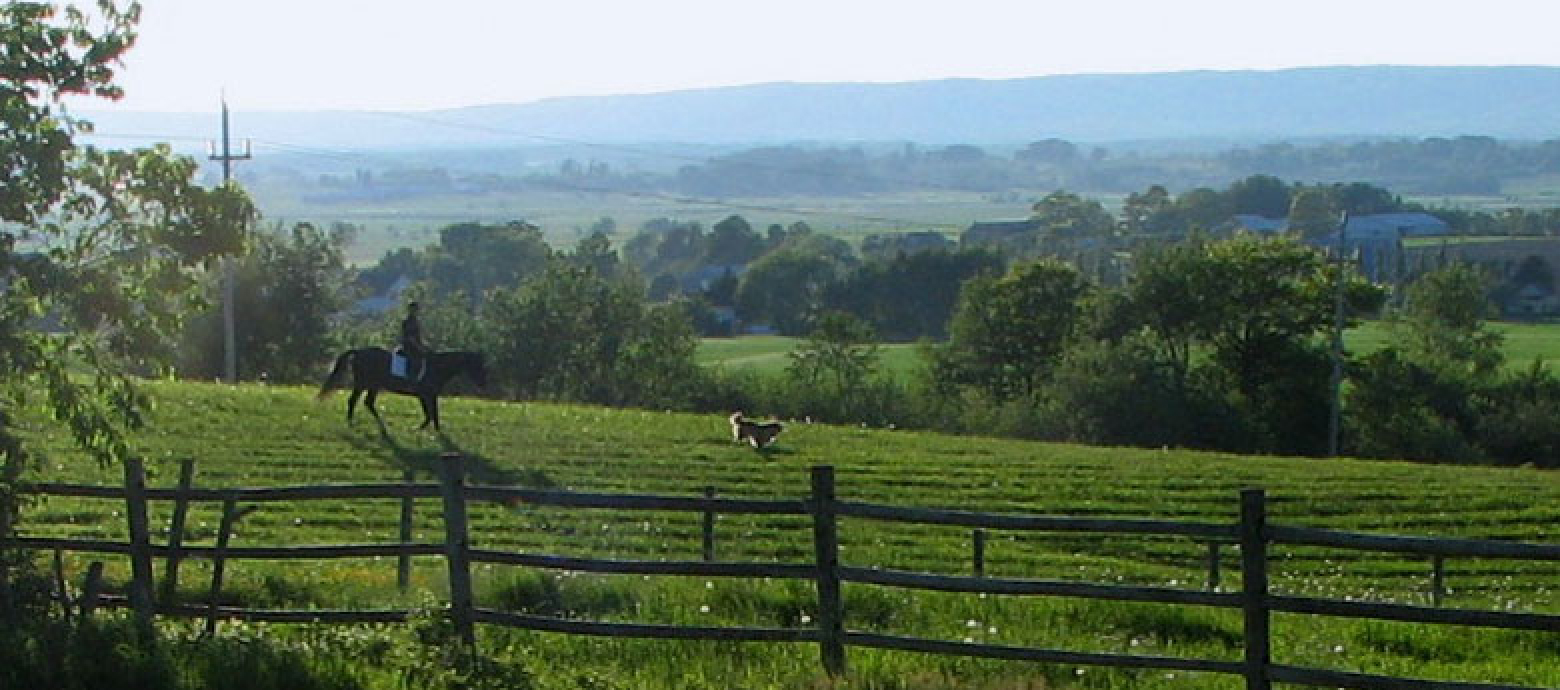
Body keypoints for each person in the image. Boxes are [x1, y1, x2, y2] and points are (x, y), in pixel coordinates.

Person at [397, 301, 431, 381]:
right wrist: (419, 347)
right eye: (414, 309)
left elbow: (418, 336)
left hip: (416, 345)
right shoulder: (409, 321)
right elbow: (410, 337)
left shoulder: (416, 321)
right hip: (409, 346)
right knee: (414, 361)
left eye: (417, 309)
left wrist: (424, 345)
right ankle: (411, 380)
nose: (416, 311)